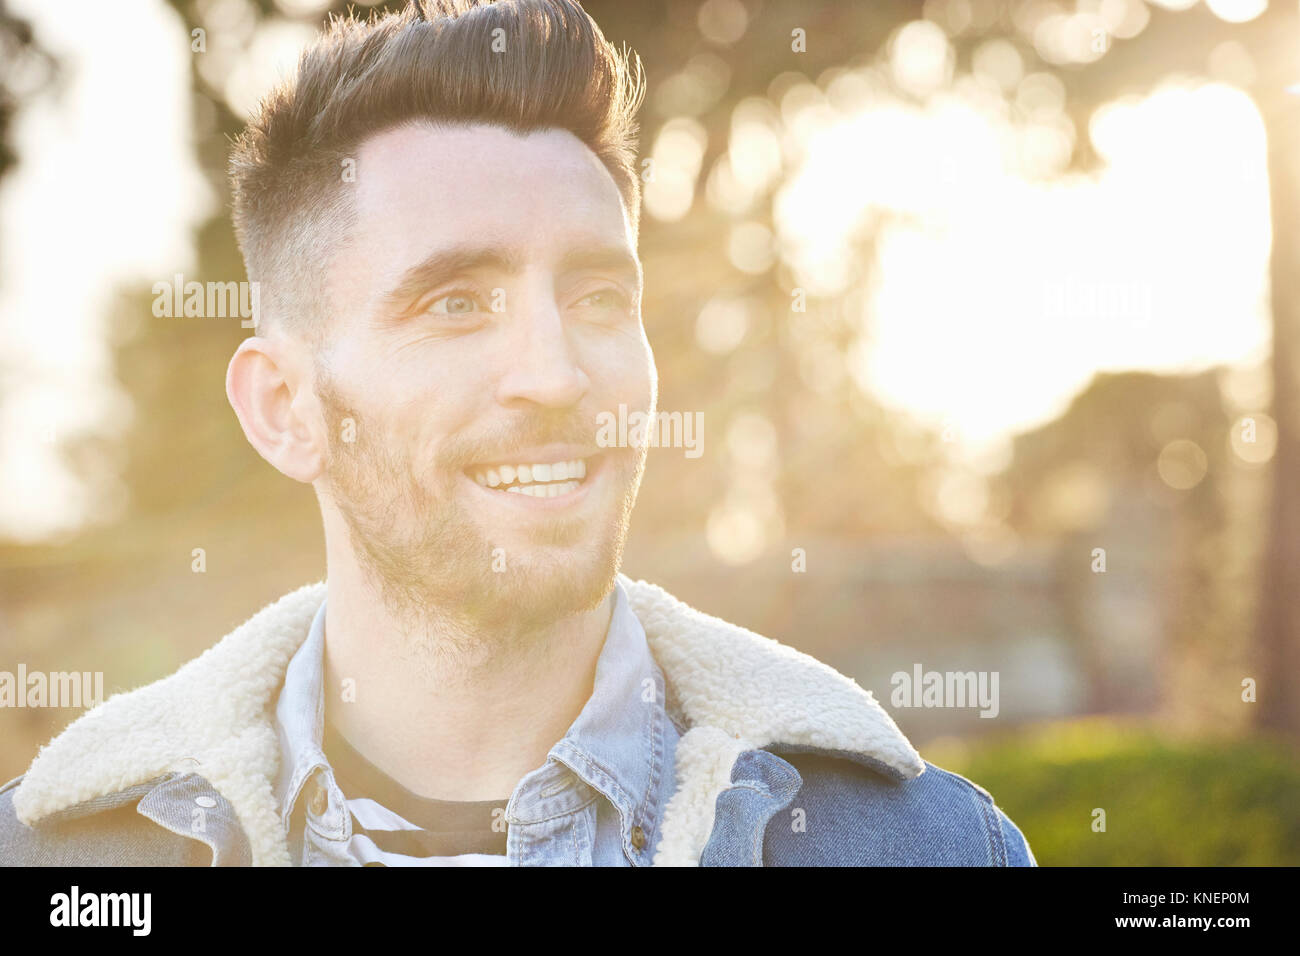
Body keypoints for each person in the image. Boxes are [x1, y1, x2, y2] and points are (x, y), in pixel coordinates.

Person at [0, 0, 1034, 867]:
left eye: (595, 296)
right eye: (455, 303)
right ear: (285, 409)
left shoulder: (923, 846)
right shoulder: (53, 857)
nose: (555, 373)